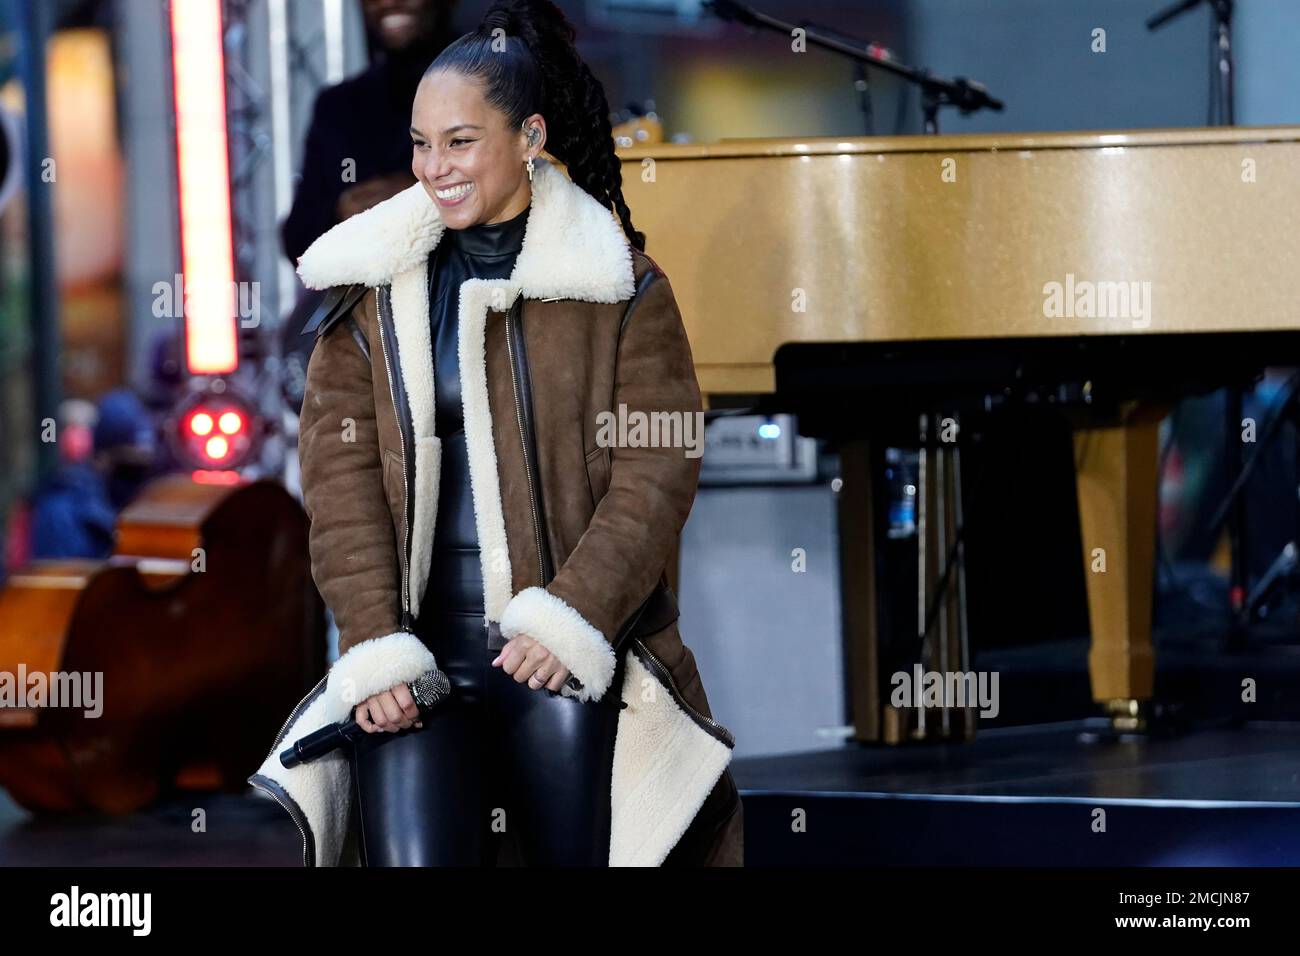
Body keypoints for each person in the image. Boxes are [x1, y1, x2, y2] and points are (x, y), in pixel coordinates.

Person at [249, 0, 742, 867]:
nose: (434, 167)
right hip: (416, 656)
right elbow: (339, 485)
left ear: (530, 137)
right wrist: (373, 641)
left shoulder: (619, 285)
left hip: (563, 652)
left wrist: (571, 618)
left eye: (461, 140)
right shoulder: (370, 290)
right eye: (420, 143)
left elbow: (657, 470)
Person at [280, 0, 459, 266]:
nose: (388, 2)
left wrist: (425, 199)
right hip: (369, 301)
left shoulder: (492, 87)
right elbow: (297, 240)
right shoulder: (337, 107)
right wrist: (341, 213)